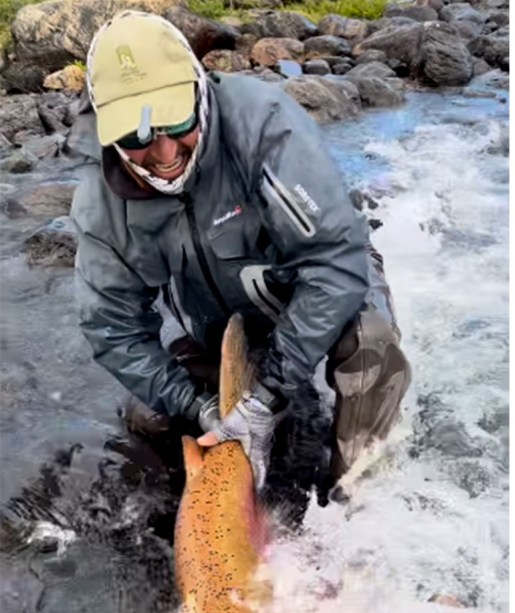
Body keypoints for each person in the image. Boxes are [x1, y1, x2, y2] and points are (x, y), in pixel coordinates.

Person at [69, 11, 410, 499]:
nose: (164, 153)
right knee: (148, 416)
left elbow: (335, 260)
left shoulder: (263, 125)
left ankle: (356, 505)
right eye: (135, 138)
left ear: (198, 89)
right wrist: (198, 407)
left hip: (317, 290)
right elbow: (113, 329)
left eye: (176, 122)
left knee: (369, 342)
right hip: (224, 329)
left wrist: (269, 391)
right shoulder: (102, 206)